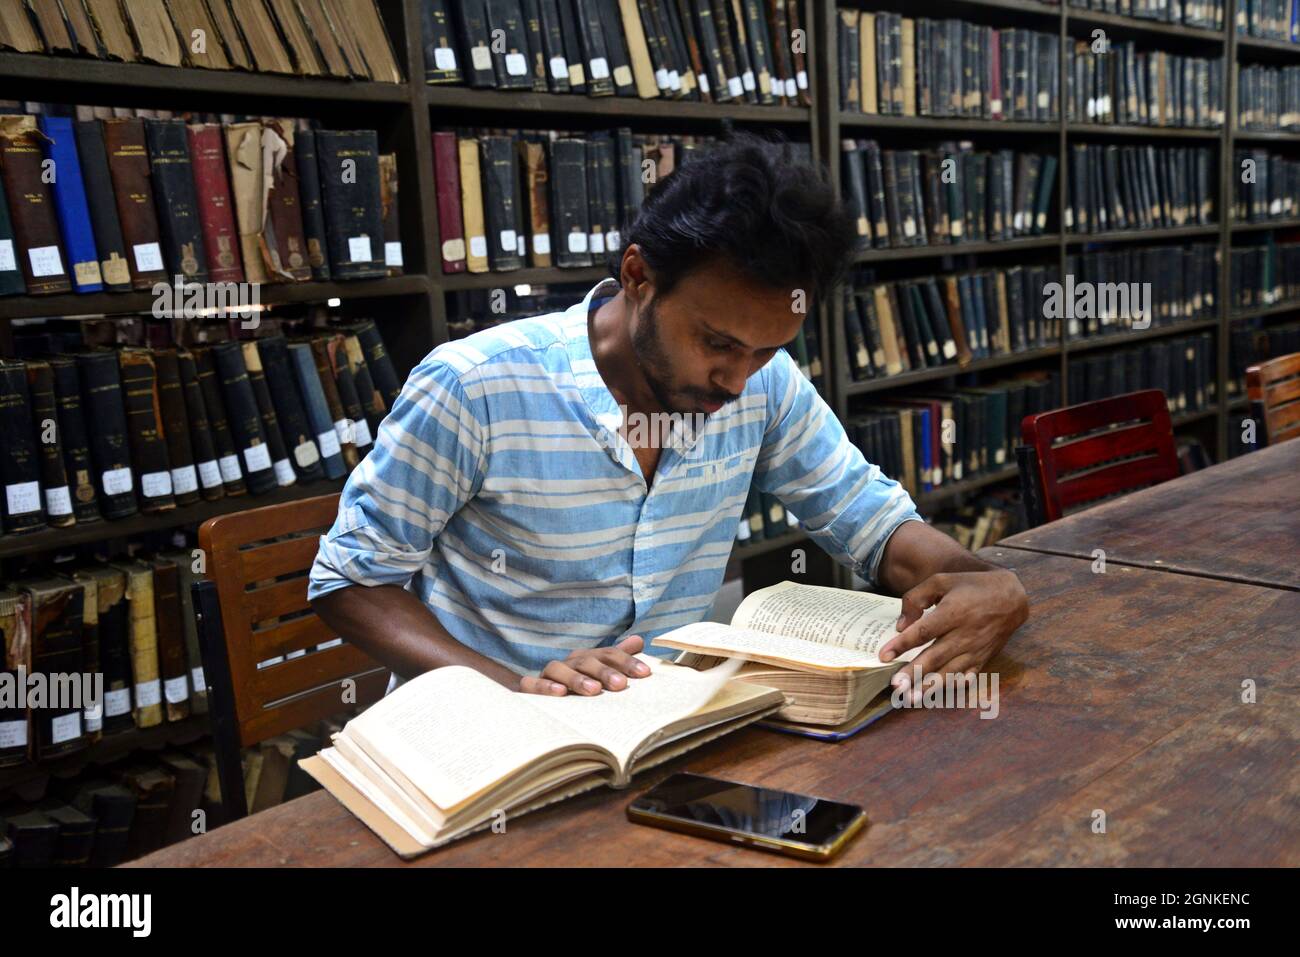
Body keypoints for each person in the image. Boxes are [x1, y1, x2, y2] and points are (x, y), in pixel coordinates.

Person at [309, 132, 1028, 703]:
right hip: (490, 735)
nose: (737, 378)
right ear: (637, 277)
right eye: (717, 342)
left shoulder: (762, 384)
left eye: (766, 349)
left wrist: (989, 584)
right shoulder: (476, 387)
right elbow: (351, 579)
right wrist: (514, 691)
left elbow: (873, 524)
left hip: (659, 726)